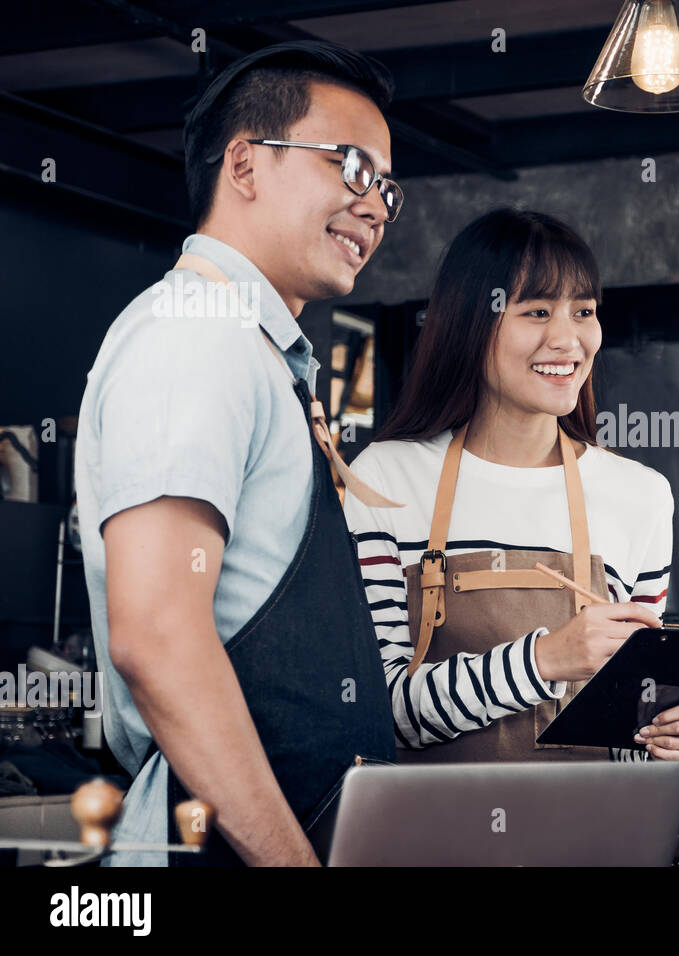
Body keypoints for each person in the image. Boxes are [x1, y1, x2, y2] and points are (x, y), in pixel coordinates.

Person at [74, 41, 403, 866]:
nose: (375, 207)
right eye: (351, 167)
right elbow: (157, 636)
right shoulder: (197, 333)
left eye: (387, 189)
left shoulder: (251, 349)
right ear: (246, 164)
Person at [343, 208, 679, 764]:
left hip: (594, 821)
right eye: (537, 311)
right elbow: (380, 712)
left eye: (583, 312)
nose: (568, 340)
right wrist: (544, 661)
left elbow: (626, 722)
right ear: (470, 324)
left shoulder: (641, 496)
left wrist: (663, 735)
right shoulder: (384, 478)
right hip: (430, 821)